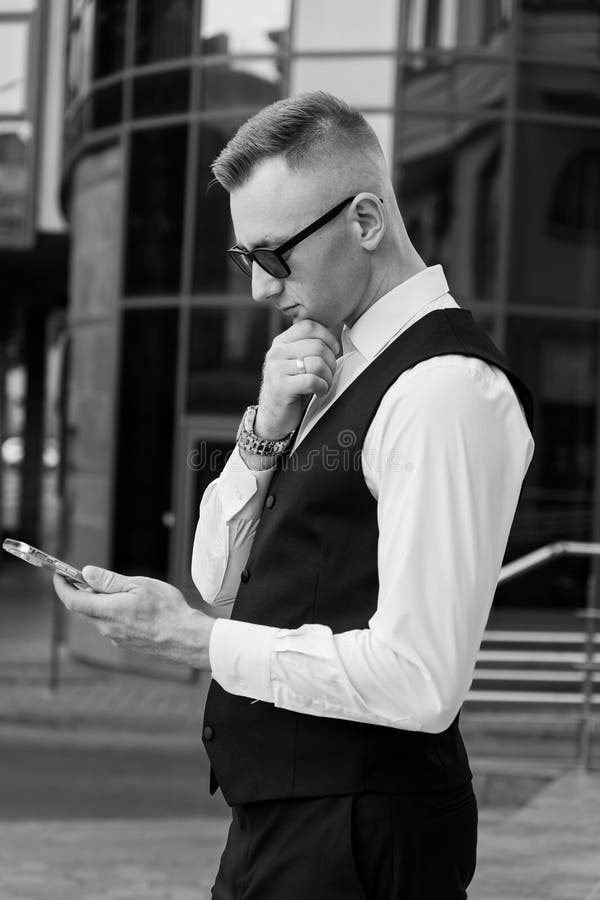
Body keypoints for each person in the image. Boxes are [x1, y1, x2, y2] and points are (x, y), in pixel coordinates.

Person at [54, 91, 534, 898]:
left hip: (363, 841)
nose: (258, 290)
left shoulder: (444, 390)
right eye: (247, 261)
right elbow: (220, 579)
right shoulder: (333, 365)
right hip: (288, 829)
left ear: (367, 221)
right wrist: (265, 429)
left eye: (274, 257)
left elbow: (420, 678)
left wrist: (193, 641)